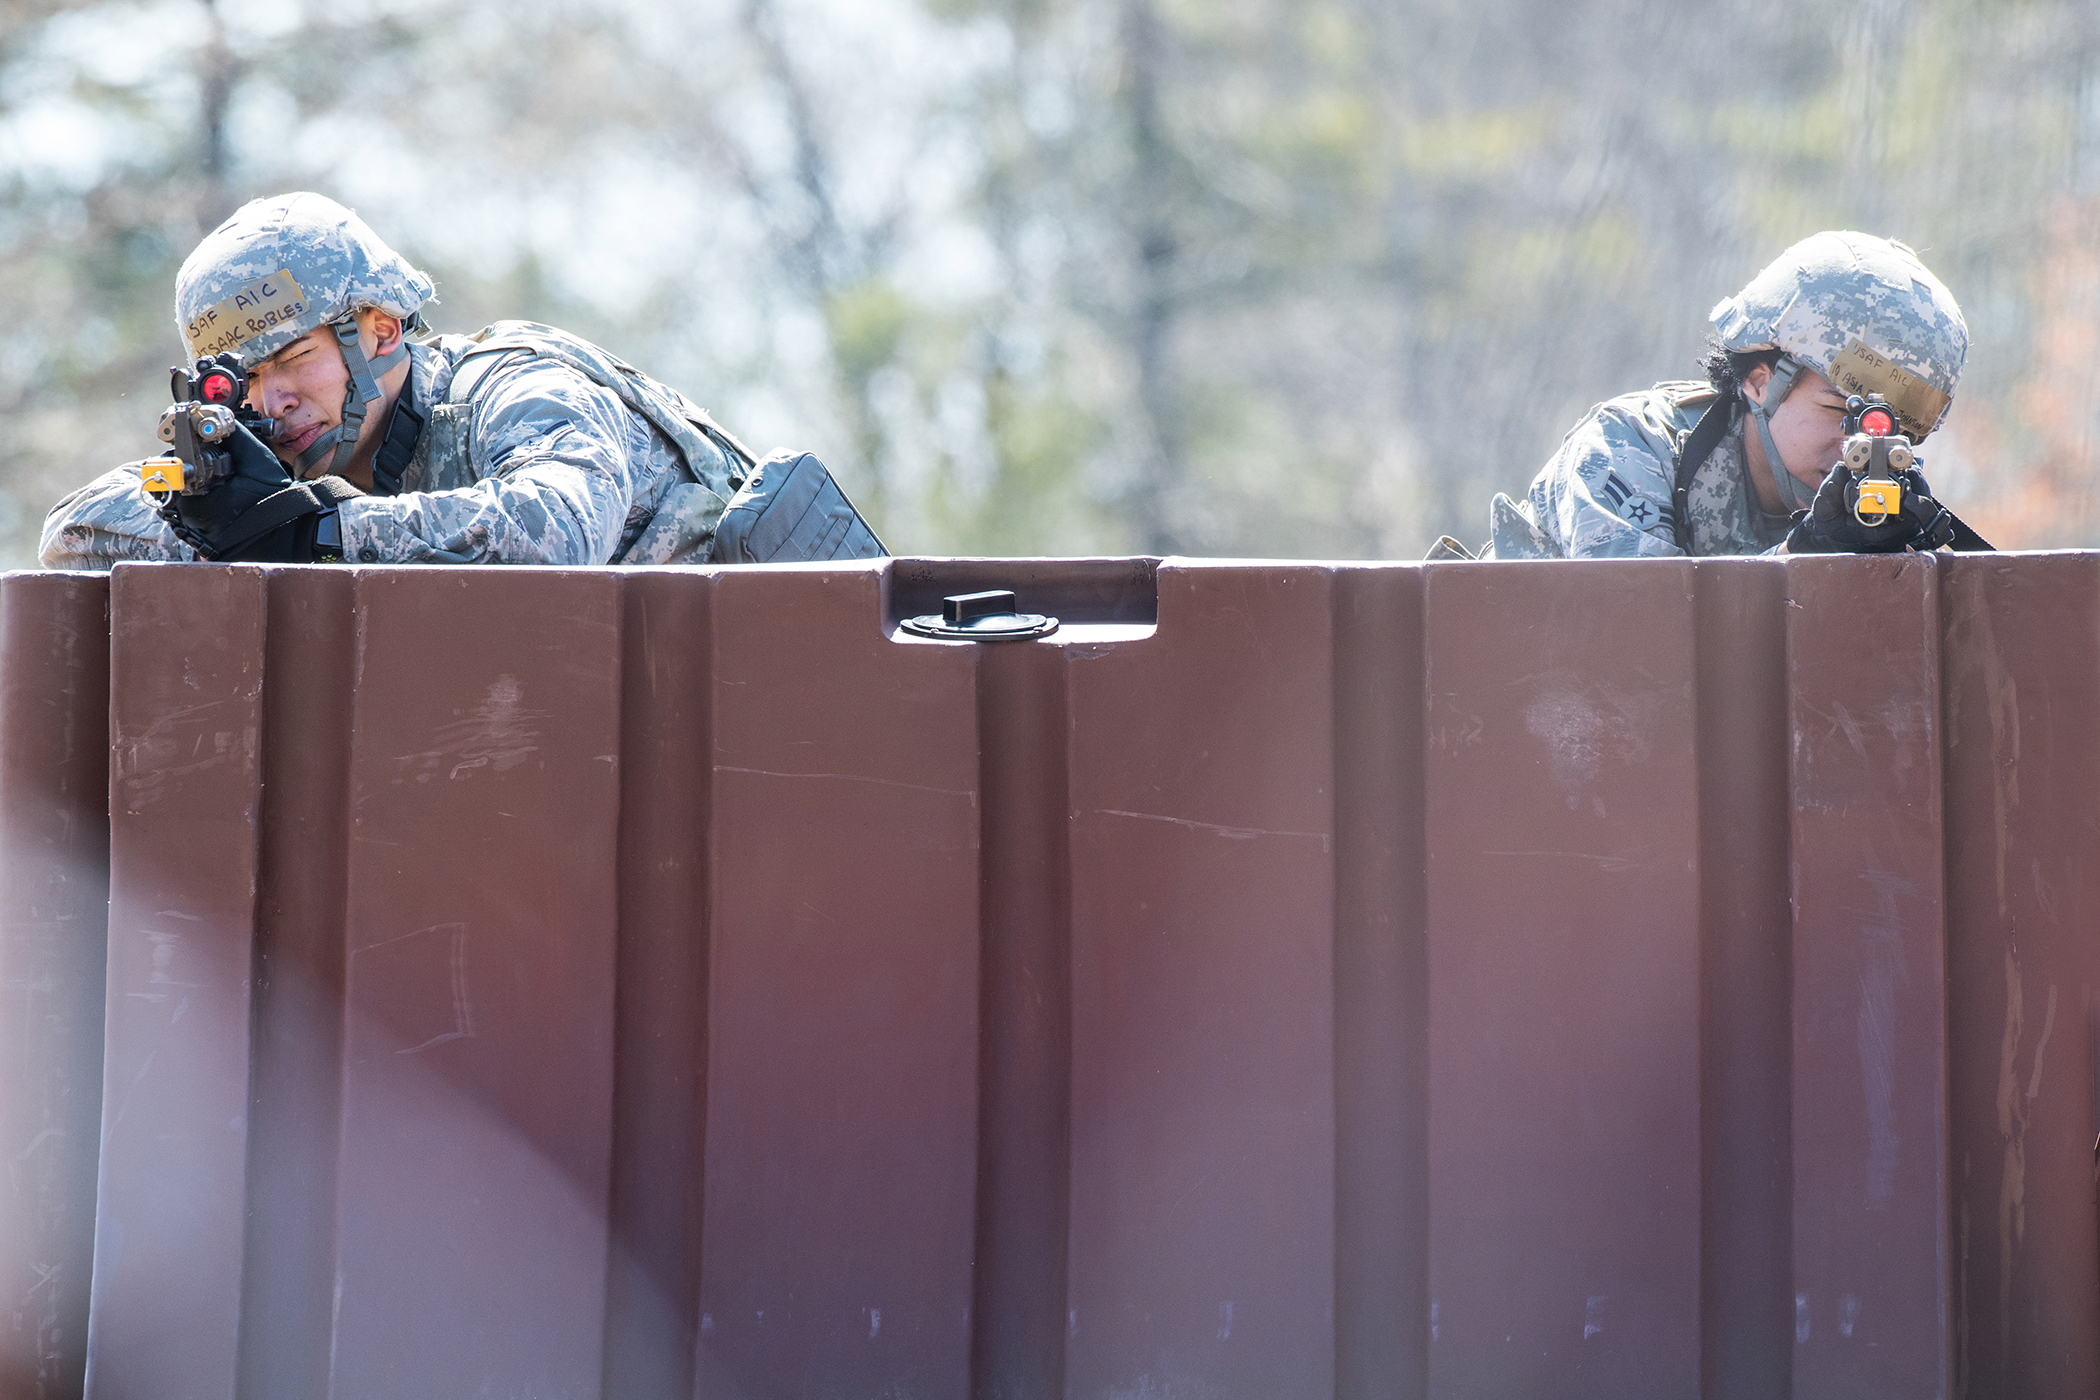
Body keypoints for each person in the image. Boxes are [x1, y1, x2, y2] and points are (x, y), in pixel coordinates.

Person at [40, 192, 881, 568]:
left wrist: (316, 534)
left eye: (293, 360)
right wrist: (229, 521)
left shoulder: (513, 388)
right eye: (246, 380)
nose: (272, 401)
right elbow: (75, 533)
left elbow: (556, 531)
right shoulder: (277, 453)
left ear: (380, 329)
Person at [1471, 230, 1970, 560]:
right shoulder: (1629, 450)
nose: (1856, 447)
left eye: (1895, 432)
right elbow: (1634, 648)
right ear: (1760, 380)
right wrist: (1805, 559)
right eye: (1840, 410)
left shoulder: (1873, 513)